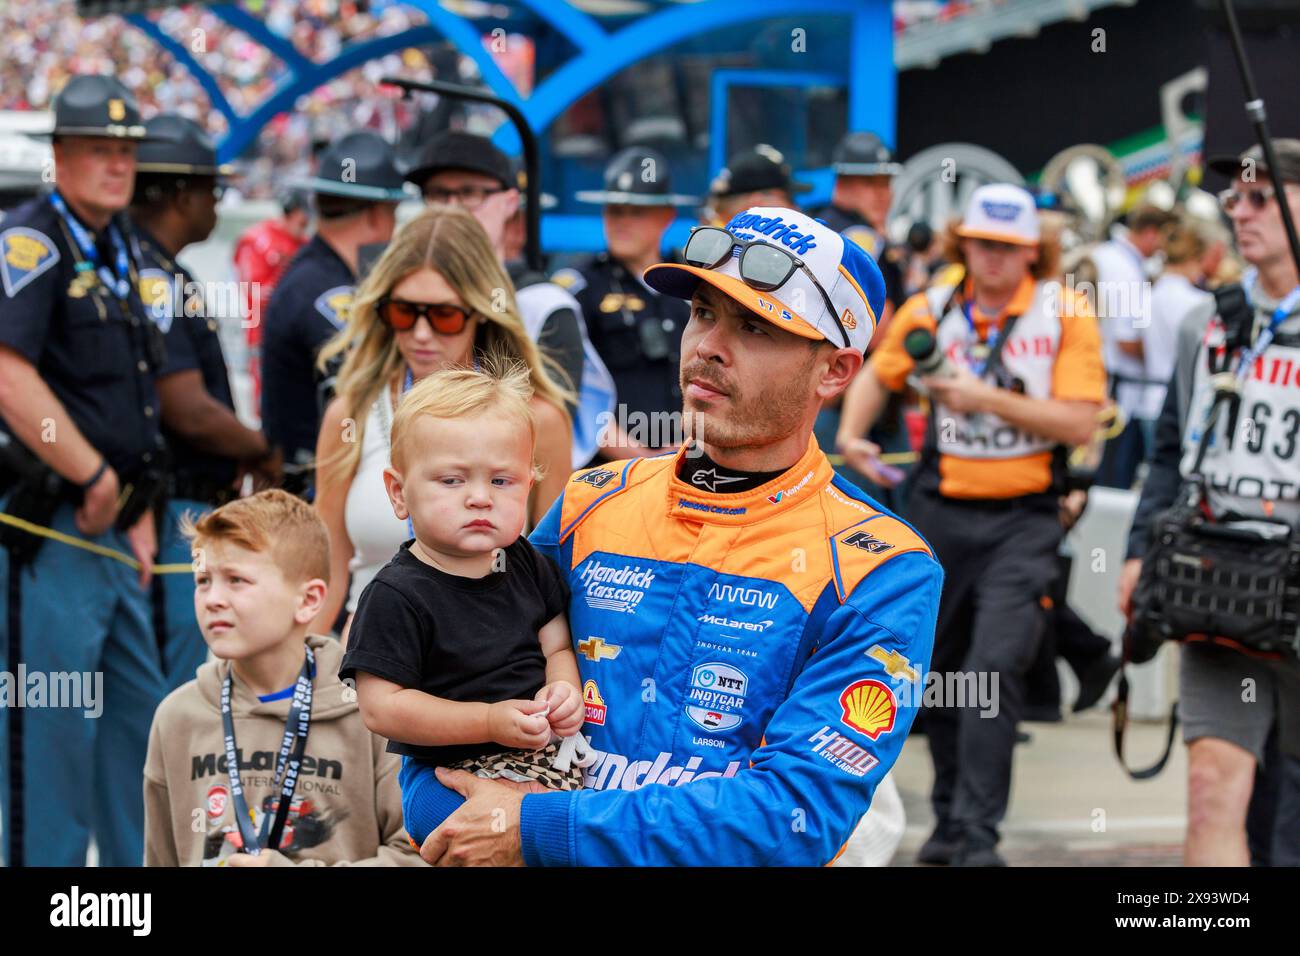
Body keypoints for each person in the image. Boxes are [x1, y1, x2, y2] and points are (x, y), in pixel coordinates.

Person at [418, 205, 944, 867]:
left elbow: (793, 814)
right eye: (703, 312)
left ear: (835, 371)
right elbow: (444, 694)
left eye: (754, 327)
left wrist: (542, 828)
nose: (708, 347)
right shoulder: (587, 502)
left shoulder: (885, 569)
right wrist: (452, 809)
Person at [837, 183, 1106, 865]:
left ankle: (980, 836)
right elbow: (877, 371)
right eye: (984, 243)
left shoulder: (1065, 312)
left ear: (1031, 251)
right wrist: (853, 433)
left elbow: (1079, 420)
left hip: (1024, 519)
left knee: (995, 667)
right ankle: (951, 821)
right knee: (940, 671)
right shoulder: (934, 306)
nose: (994, 259)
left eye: (1010, 248)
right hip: (939, 511)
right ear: (964, 242)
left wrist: (982, 398)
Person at [0, 74, 170, 866]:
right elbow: (8, 375)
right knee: (52, 733)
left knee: (138, 722)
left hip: (116, 524)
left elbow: (130, 396)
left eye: (126, 150)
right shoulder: (31, 239)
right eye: (98, 150)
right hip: (54, 523)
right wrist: (95, 476)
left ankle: (129, 894)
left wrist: (131, 502)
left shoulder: (125, 245)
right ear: (59, 157)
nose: (116, 164)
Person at [1118, 141, 1300, 867]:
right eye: (1235, 197)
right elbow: (1168, 453)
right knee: (1211, 786)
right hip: (1220, 582)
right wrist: (1135, 552)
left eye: (1262, 195)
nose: (1241, 210)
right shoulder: (1206, 324)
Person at [341, 364, 588, 846]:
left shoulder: (527, 564)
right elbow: (381, 707)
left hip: (545, 758)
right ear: (399, 492)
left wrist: (563, 692)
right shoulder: (396, 595)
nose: (480, 498)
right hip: (447, 773)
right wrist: (490, 720)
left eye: (502, 481)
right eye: (452, 481)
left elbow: (556, 646)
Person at [311, 206, 573, 639]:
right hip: (374, 662)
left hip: (491, 667)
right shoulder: (351, 414)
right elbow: (327, 571)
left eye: (444, 315)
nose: (420, 333)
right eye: (403, 312)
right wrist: (307, 682)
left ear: (481, 311)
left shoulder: (537, 420)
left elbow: (553, 578)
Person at [142, 489, 422, 866]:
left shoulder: (375, 710)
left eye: (236, 580)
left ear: (307, 600)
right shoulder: (178, 716)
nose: (212, 599)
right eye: (203, 580)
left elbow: (418, 856)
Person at [129, 113, 282, 688]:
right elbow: (186, 408)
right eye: (210, 189)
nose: (217, 202)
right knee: (179, 688)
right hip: (175, 509)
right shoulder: (153, 277)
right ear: (177, 194)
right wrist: (262, 449)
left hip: (175, 507)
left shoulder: (154, 268)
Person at [404, 130, 613, 469]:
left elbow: (542, 441)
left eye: (469, 193)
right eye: (438, 194)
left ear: (510, 202)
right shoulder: (398, 296)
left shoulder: (541, 306)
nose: (453, 208)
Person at [259, 131, 407, 496]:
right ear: (376, 214)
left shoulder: (313, 275)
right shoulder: (329, 291)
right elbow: (372, 381)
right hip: (315, 489)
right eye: (393, 214)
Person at [552, 146, 697, 460]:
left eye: (637, 211)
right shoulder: (581, 287)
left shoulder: (692, 282)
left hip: (689, 463)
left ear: (667, 216)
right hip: (610, 471)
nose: (622, 222)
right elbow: (566, 387)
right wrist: (639, 458)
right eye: (615, 211)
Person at [1091, 203, 1176, 488]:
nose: (1165, 248)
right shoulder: (1125, 270)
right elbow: (1127, 341)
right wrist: (1166, 352)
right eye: (1166, 238)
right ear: (1151, 233)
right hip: (1119, 396)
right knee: (1111, 483)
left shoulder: (1102, 255)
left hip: (1098, 385)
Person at [232, 189, 310, 404]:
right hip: (262, 331)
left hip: (295, 332)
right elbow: (252, 288)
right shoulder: (256, 240)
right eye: (303, 221)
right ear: (290, 213)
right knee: (266, 394)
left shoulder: (304, 244)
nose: (306, 226)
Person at [702, 144, 810, 227]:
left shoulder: (710, 244)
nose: (796, 208)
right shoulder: (744, 252)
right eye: (788, 198)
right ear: (757, 203)